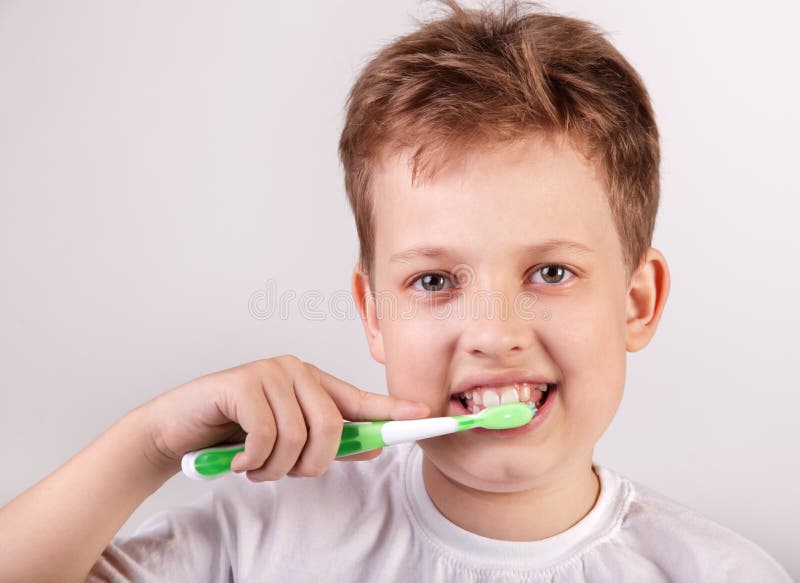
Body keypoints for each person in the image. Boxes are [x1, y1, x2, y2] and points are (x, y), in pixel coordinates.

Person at [0, 1, 792, 581]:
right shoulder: (267, 533)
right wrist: (151, 443)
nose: (492, 331)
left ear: (637, 301)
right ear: (374, 315)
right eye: (436, 281)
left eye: (550, 272)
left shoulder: (721, 571)